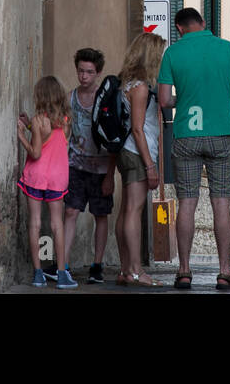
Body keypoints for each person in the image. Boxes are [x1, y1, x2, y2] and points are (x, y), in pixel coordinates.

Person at [157, 7, 230, 291]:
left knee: (187, 203)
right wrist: (221, 93)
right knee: (221, 203)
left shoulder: (172, 53)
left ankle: (184, 271)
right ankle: (224, 273)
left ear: (179, 28)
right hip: (221, 134)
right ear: (203, 24)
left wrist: (183, 98)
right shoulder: (225, 48)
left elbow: (163, 100)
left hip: (186, 136)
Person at [114, 31, 165, 287]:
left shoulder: (128, 83)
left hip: (126, 151)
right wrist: (150, 164)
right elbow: (137, 128)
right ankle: (135, 270)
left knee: (125, 210)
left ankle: (125, 268)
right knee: (134, 210)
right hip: (136, 152)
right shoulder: (141, 87)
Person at [17, 75, 77, 288]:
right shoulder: (65, 121)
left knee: (35, 222)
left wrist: (22, 134)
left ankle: (38, 274)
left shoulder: (39, 120)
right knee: (56, 224)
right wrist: (30, 126)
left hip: (36, 176)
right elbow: (52, 141)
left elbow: (35, 153)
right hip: (57, 178)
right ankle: (61, 274)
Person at [63, 48, 115, 284]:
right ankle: (62, 263)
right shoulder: (71, 97)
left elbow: (114, 138)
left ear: (98, 73)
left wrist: (110, 175)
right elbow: (65, 130)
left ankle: (97, 264)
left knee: (100, 215)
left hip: (101, 168)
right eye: (81, 71)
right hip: (76, 164)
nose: (84, 76)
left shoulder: (105, 100)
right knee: (71, 211)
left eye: (89, 72)